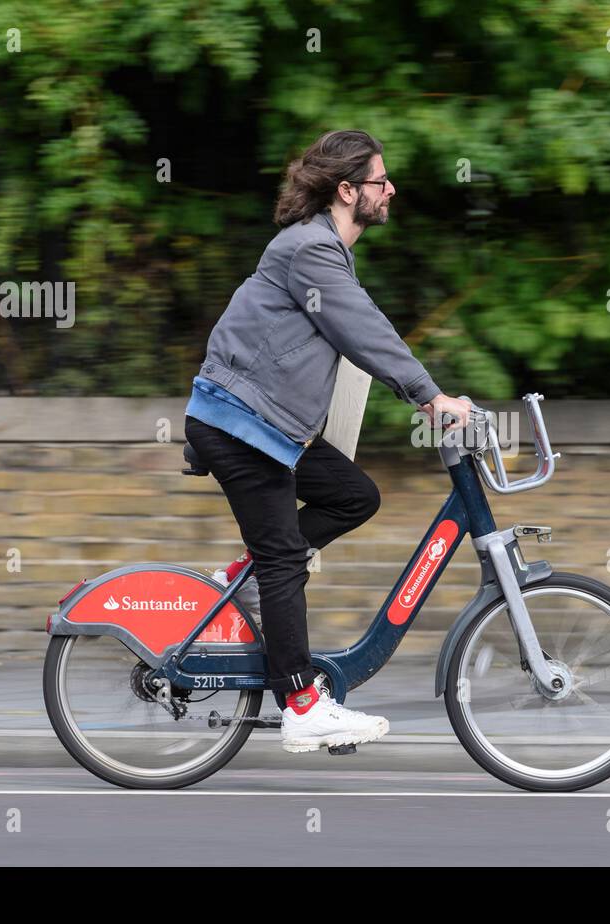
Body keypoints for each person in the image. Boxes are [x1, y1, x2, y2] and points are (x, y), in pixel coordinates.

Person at [184, 130, 472, 753]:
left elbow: (351, 336)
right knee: (285, 556)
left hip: (267, 427)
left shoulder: (322, 251)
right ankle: (302, 704)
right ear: (347, 191)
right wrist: (432, 396)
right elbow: (363, 329)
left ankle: (248, 578)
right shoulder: (312, 249)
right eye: (379, 180)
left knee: (353, 495)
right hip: (240, 424)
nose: (390, 189)